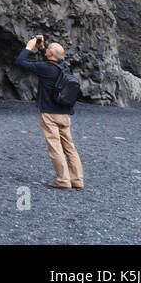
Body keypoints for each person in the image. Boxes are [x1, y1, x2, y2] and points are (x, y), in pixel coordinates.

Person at [15, 36, 84, 190]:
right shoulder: (64, 68)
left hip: (49, 114)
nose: (46, 49)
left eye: (48, 48)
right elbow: (49, 61)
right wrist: (42, 49)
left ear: (51, 54)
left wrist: (28, 47)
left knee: (55, 147)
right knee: (70, 148)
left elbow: (20, 62)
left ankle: (63, 181)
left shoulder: (45, 68)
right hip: (65, 114)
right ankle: (77, 180)